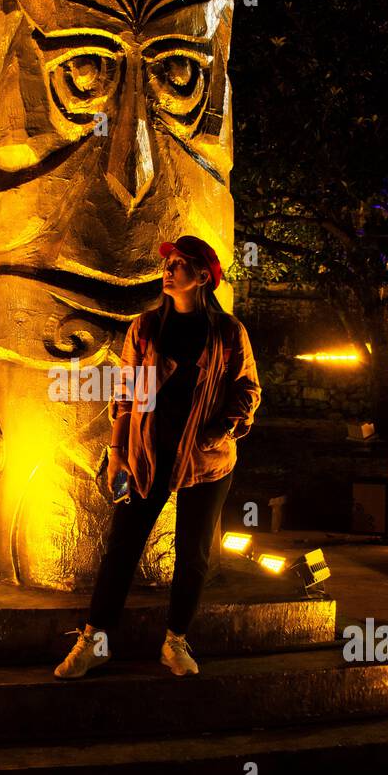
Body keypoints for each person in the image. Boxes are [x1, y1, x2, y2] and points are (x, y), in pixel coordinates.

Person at [54, 235, 261, 679]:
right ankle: (95, 641)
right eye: (167, 263)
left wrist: (222, 428)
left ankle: (175, 642)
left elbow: (248, 389)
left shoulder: (227, 333)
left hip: (206, 461)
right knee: (122, 548)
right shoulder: (146, 328)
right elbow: (125, 394)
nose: (168, 270)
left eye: (180, 265)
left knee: (194, 555)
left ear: (203, 277)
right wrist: (116, 452)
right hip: (146, 455)